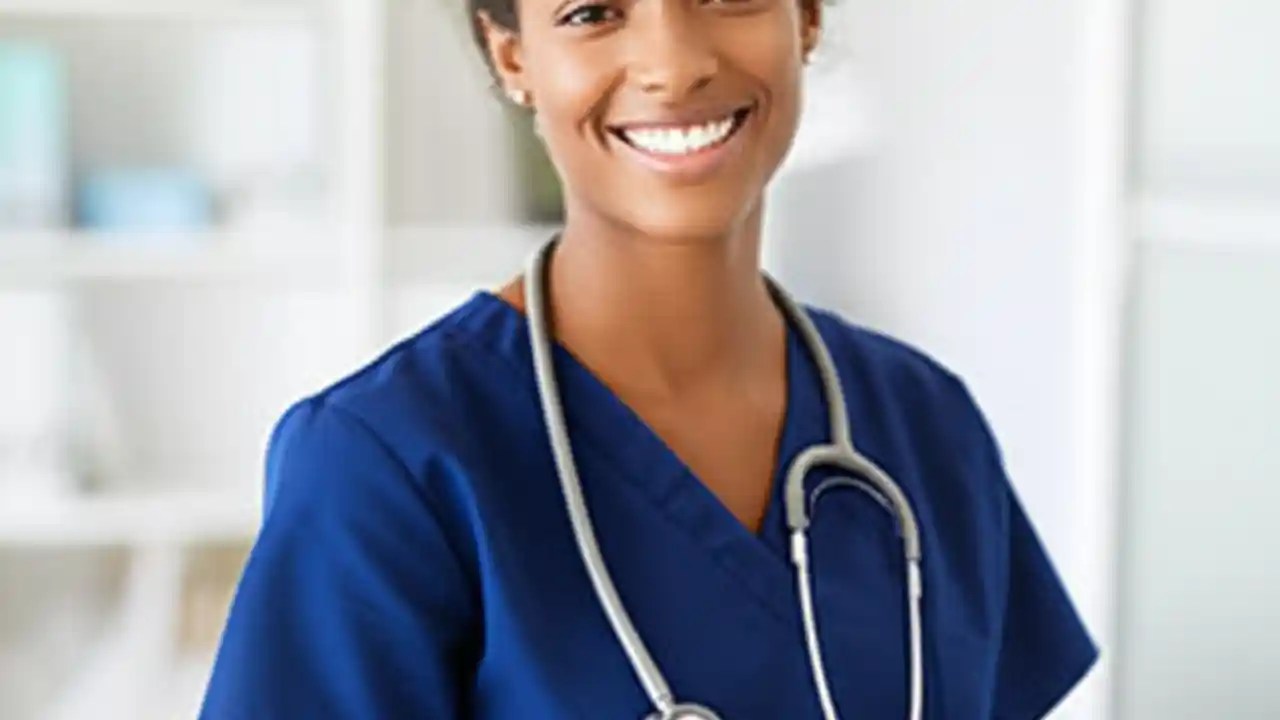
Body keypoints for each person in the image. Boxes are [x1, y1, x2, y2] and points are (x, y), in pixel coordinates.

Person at [199, 0, 1098, 716]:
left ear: (809, 16)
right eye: (594, 12)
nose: (675, 63)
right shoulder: (389, 461)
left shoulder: (923, 425)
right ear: (512, 54)